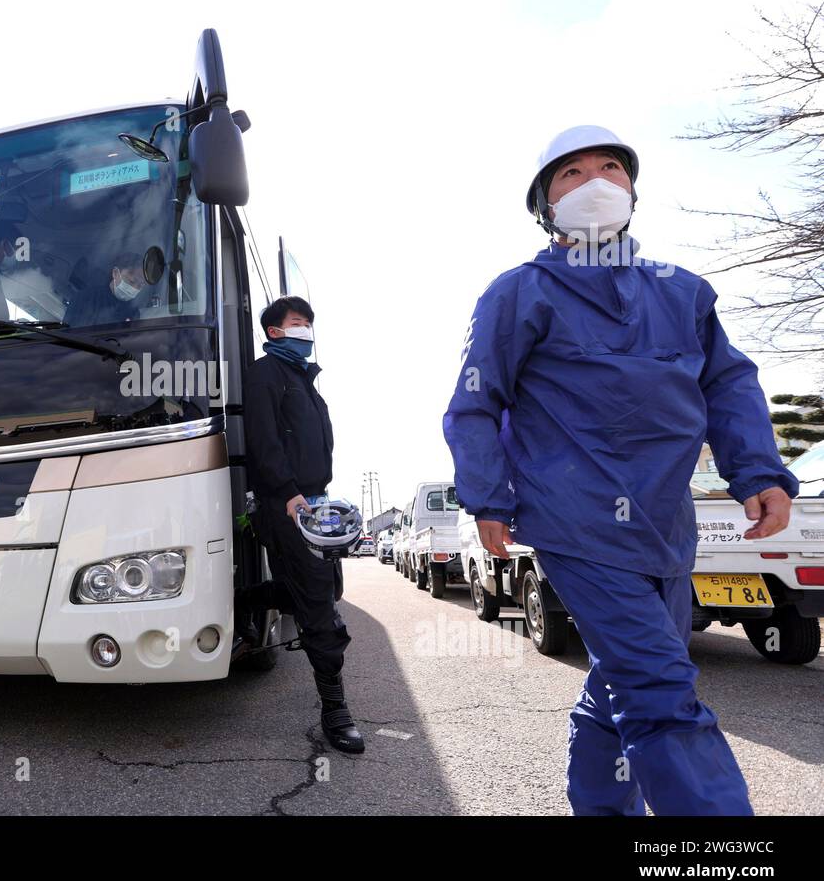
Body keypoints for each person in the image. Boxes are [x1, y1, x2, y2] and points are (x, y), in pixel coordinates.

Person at [443, 125, 798, 815]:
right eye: (572, 173)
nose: (596, 182)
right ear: (544, 204)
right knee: (660, 689)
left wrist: (758, 471)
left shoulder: (684, 292)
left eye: (611, 167)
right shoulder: (519, 293)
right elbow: (476, 402)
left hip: (667, 523)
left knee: (618, 687)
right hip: (576, 520)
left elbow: (729, 384)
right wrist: (487, 497)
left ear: (633, 191)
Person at [238, 296, 364, 754]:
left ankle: (244, 602)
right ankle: (336, 711)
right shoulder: (266, 374)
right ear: (275, 331)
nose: (306, 330)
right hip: (286, 503)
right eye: (297, 323)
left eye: (309, 323)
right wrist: (290, 492)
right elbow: (264, 440)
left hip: (313, 501)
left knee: (324, 589)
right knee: (318, 603)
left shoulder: (304, 380)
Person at [65, 256, 149, 326]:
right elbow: (68, 332)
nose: (133, 288)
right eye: (131, 281)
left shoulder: (134, 312)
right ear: (115, 273)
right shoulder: (85, 297)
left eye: (139, 286)